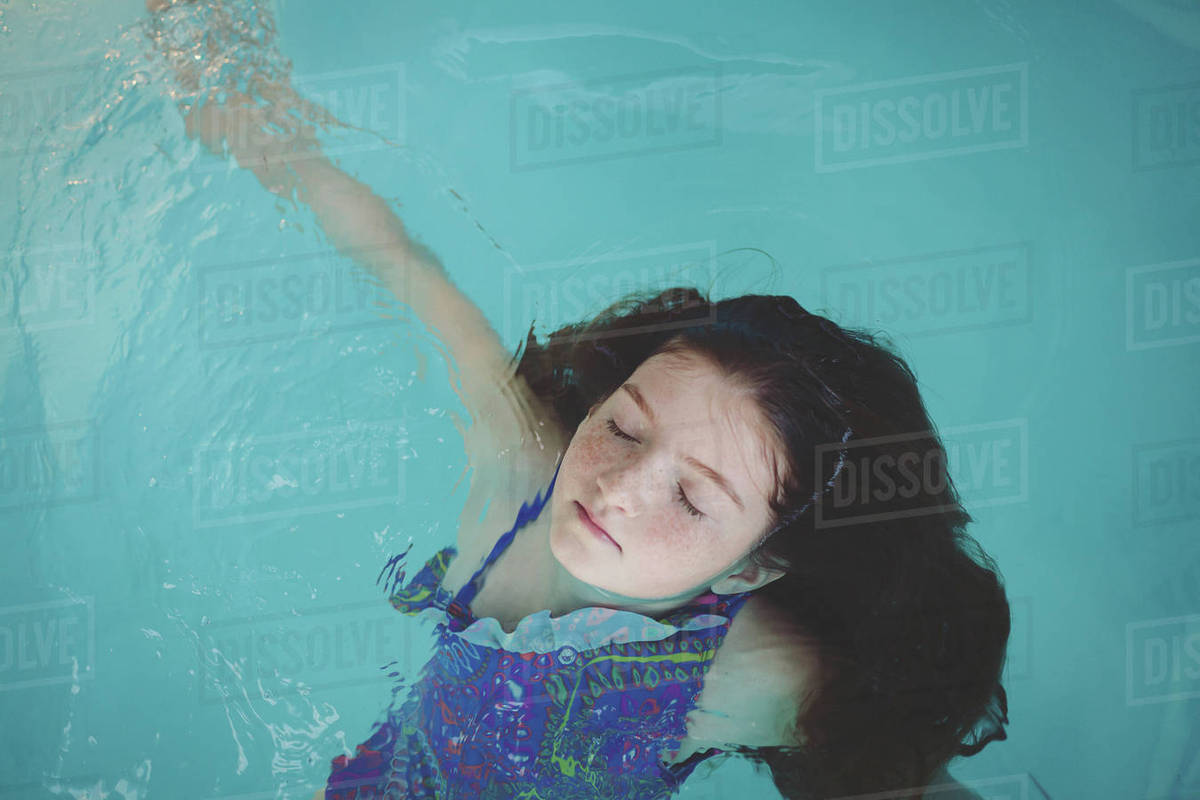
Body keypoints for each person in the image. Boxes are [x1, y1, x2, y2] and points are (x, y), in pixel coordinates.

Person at [143, 3, 1011, 797]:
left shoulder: (749, 673)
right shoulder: (520, 470)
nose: (618, 487)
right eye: (625, 427)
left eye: (691, 497)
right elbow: (401, 263)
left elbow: (886, 768)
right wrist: (241, 102)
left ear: (751, 568)